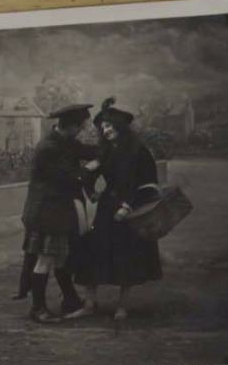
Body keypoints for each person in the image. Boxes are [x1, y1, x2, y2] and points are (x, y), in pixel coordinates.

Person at [69, 97, 162, 323]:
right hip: (107, 208)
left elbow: (148, 185)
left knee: (126, 257)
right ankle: (90, 303)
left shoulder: (140, 152)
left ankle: (122, 305)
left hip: (131, 209)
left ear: (119, 126)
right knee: (92, 252)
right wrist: (90, 191)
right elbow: (90, 172)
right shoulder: (107, 151)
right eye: (103, 127)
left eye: (109, 126)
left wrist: (127, 206)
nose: (105, 130)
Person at [19, 102, 96, 323]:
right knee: (45, 259)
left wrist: (109, 150)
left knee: (60, 258)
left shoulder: (65, 142)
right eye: (80, 127)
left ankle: (70, 299)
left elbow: (90, 151)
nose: (81, 132)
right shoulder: (49, 147)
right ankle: (38, 309)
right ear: (70, 126)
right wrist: (89, 169)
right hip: (47, 212)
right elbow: (69, 177)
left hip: (56, 210)